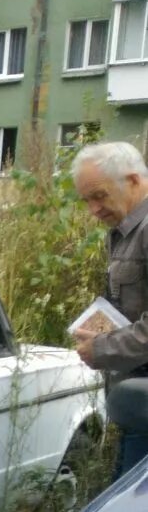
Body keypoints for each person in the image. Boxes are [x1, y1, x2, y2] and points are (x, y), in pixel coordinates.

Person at [71, 140, 148, 479]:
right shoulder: (121, 232)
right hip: (134, 400)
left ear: (133, 180)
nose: (93, 209)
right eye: (86, 199)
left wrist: (102, 348)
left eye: (99, 195)